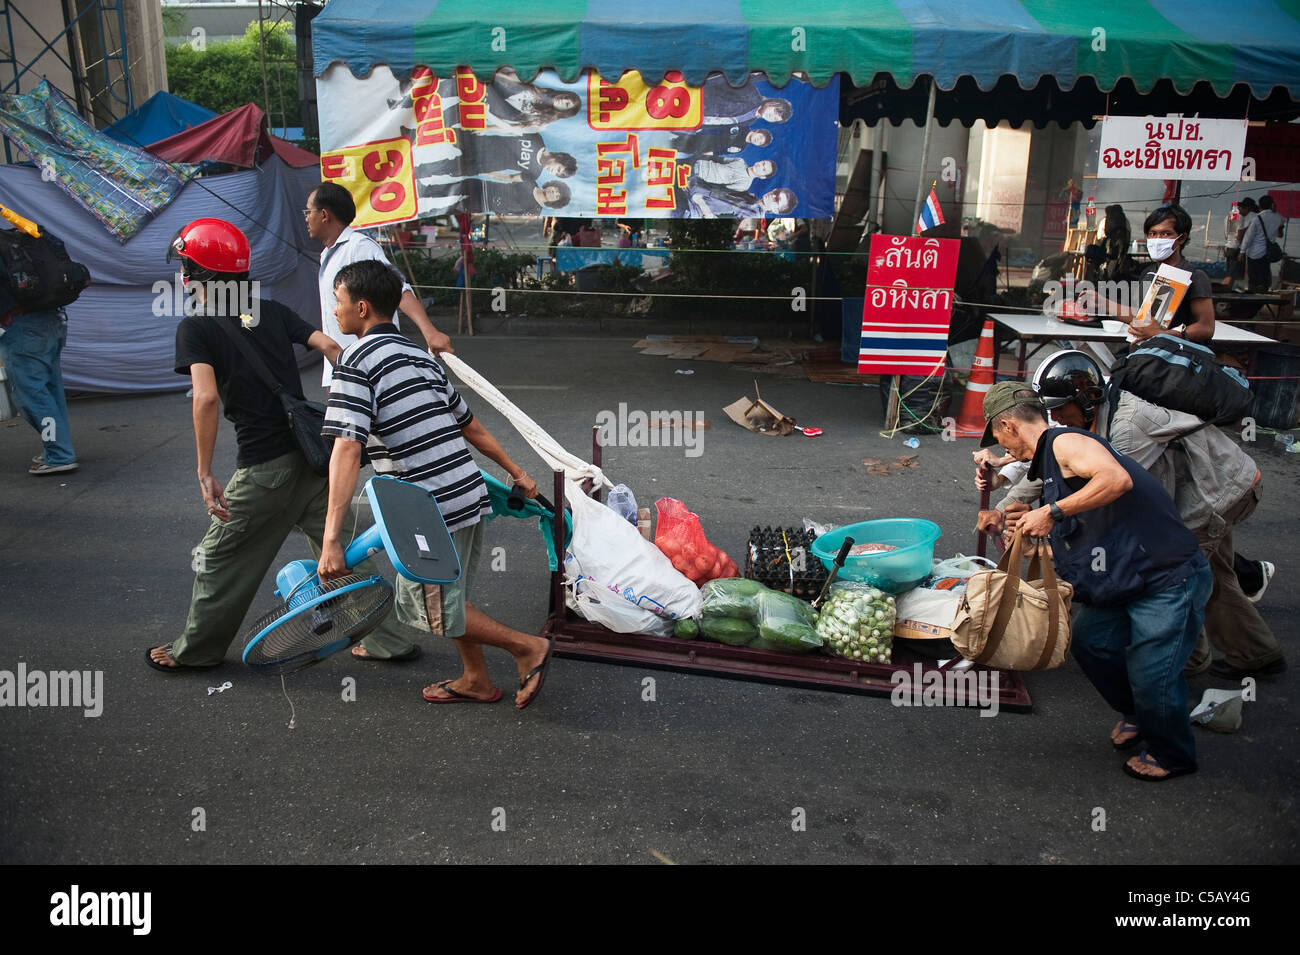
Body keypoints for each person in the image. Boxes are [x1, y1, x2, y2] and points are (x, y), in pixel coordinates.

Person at [147, 219, 421, 671]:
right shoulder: (268, 311)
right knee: (342, 555)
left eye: (185, 266)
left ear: (198, 275)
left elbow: (207, 397)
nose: (182, 275)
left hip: (263, 469)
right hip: (312, 458)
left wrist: (204, 472)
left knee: (220, 560)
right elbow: (332, 346)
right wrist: (352, 398)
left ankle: (195, 652)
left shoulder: (195, 328)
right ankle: (387, 641)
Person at [319, 260, 554, 709]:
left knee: (427, 609)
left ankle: (528, 648)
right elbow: (470, 426)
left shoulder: (355, 361)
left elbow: (347, 449)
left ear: (362, 307)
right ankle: (475, 679)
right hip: (465, 492)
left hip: (427, 508)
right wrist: (517, 472)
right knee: (449, 594)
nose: (336, 311)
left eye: (339, 302)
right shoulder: (417, 355)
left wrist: (331, 539)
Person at [980, 351, 1284, 680]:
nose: (1057, 419)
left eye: (1060, 410)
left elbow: (1105, 493)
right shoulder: (1100, 416)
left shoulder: (1125, 430)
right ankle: (1257, 654)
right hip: (1221, 484)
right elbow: (1052, 463)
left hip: (1219, 493)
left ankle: (1183, 664)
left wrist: (1050, 520)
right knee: (1214, 577)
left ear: (1086, 398)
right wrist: (1004, 500)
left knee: (1175, 573)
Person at [980, 380, 1212, 781]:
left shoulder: (1066, 443)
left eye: (999, 437)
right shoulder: (1049, 461)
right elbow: (1088, 517)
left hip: (1165, 577)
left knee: (1152, 670)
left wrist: (1051, 512)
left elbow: (1116, 480)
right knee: (1092, 641)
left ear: (1010, 427)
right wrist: (1026, 519)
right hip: (1124, 579)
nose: (1002, 448)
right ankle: (1140, 715)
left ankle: (1172, 754)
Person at [304, 183, 452, 389]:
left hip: (370, 368)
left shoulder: (359, 247)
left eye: (308, 211)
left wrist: (430, 333)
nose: (306, 218)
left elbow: (399, 289)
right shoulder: (328, 255)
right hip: (342, 366)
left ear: (324, 214)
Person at [1081, 204, 1214, 343]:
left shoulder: (1194, 276)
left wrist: (1164, 334)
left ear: (1181, 238)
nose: (1157, 239)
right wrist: (1103, 303)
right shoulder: (1149, 273)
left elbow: (1206, 327)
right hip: (1146, 350)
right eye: (1153, 233)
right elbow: (1141, 316)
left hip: (1176, 356)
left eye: (1166, 234)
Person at [0, 297, 78, 476]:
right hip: (52, 318)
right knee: (51, 391)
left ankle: (59, 453)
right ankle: (58, 448)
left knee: (31, 397)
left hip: (21, 326)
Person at [700, 76, 791, 127]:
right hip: (697, 99)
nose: (771, 116)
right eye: (775, 111)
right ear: (771, 103)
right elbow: (722, 80)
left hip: (697, 119)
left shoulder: (750, 121)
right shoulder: (750, 94)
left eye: (775, 119)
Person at [1242, 195, 1285, 292]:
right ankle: (1262, 295)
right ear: (1272, 205)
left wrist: (1242, 251)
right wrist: (1275, 210)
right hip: (1268, 253)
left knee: (1254, 279)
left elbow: (1248, 237)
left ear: (1260, 206)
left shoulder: (1257, 219)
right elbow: (1280, 231)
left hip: (1254, 253)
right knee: (1264, 277)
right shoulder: (1278, 217)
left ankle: (1253, 297)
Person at [687, 185, 797, 219]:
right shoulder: (751, 197)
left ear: (775, 210)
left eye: (777, 199)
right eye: (776, 192)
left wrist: (700, 201)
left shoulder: (754, 216)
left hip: (693, 211)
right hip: (692, 197)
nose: (773, 195)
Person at [670, 126, 772, 158]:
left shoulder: (741, 148)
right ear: (757, 131)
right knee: (671, 127)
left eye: (759, 142)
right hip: (700, 132)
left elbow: (719, 152)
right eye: (759, 137)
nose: (757, 140)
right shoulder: (743, 125)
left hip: (701, 147)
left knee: (672, 146)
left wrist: (703, 154)